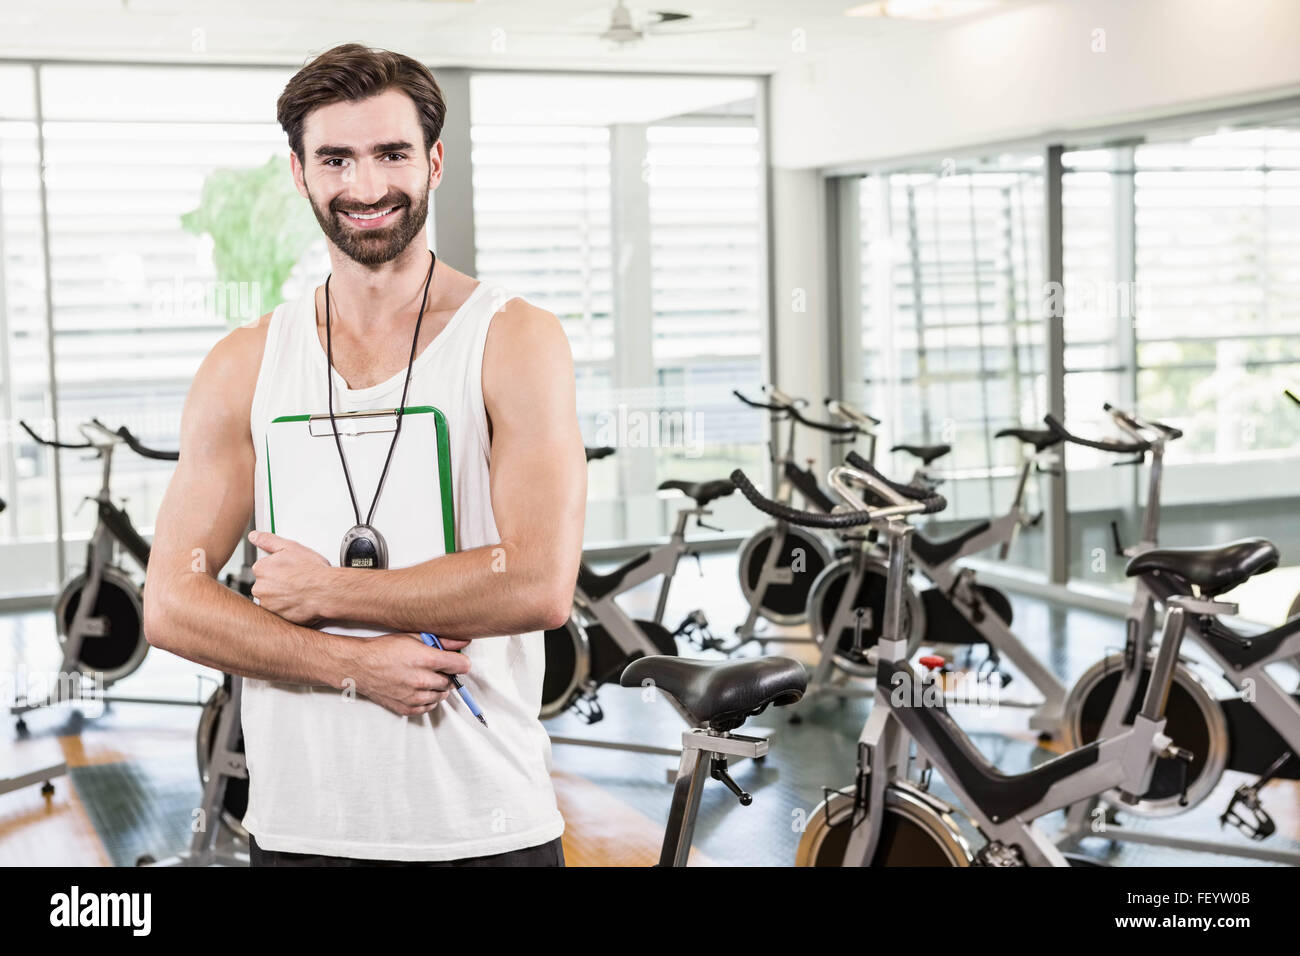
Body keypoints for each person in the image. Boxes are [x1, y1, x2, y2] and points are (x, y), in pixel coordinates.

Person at [142, 43, 585, 867]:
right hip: (301, 829)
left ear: (435, 161)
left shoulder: (514, 339)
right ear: (300, 173)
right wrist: (350, 664)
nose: (368, 186)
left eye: (392, 153)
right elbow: (171, 601)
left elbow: (537, 582)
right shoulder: (245, 363)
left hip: (487, 824)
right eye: (336, 158)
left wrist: (332, 590)